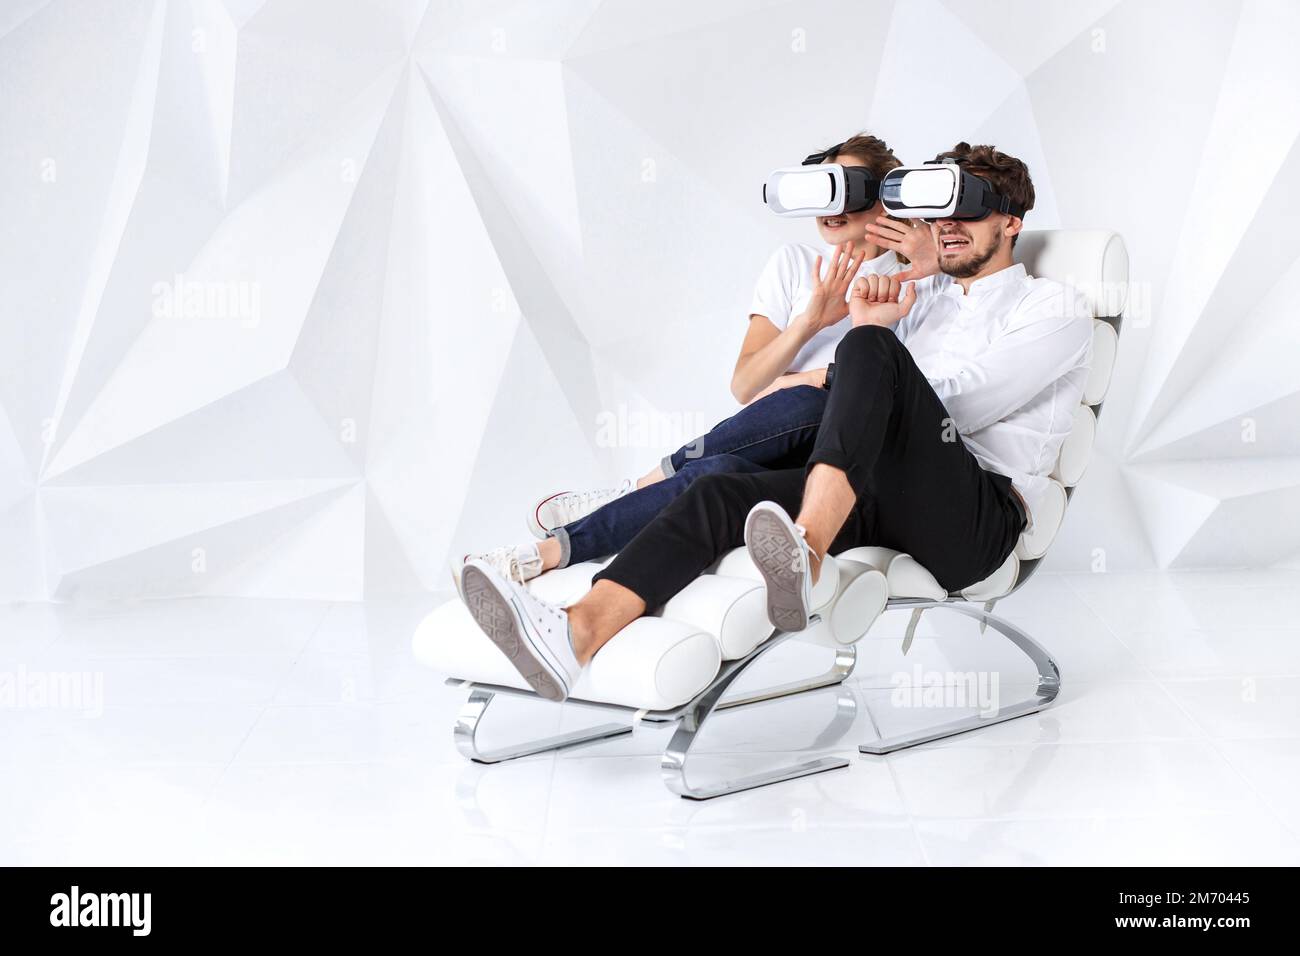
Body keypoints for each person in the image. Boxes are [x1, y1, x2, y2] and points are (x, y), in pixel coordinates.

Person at [458, 141, 1094, 703]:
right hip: (881, 494)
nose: (950, 227)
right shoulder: (920, 294)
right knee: (718, 491)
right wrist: (877, 315)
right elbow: (866, 386)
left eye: (970, 211)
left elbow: (961, 408)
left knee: (864, 350)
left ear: (1010, 223)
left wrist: (864, 355)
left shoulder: (1054, 308)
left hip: (975, 518)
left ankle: (806, 552)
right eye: (941, 212)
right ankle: (576, 634)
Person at [457, 133, 935, 587]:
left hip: (849, 455)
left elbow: (906, 390)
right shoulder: (793, 263)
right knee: (712, 475)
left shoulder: (916, 280)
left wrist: (814, 376)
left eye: (844, 191)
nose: (829, 211)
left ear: (883, 198)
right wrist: (808, 323)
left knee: (813, 402)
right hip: (772, 438)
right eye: (819, 193)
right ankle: (543, 555)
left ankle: (637, 488)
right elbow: (746, 386)